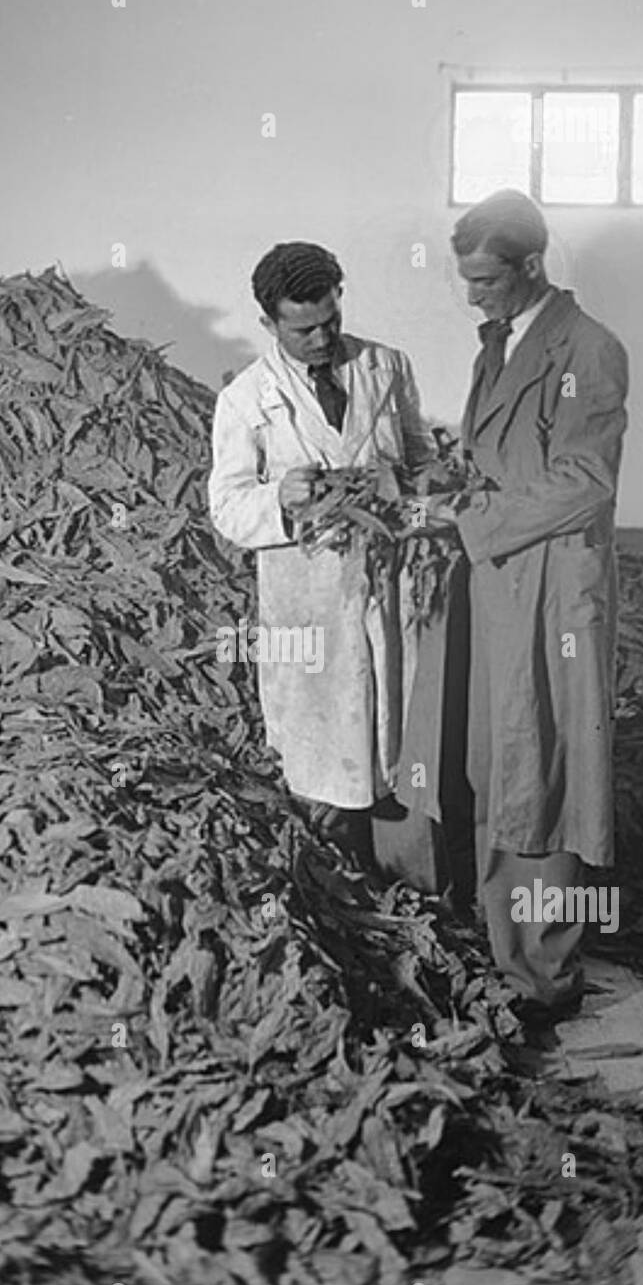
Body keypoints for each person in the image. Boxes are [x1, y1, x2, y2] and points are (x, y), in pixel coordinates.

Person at [397, 190, 630, 1020]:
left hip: (552, 589)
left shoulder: (587, 349)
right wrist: (442, 486)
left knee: (543, 770)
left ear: (533, 266)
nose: (472, 296)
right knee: (491, 756)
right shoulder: (497, 345)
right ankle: (497, 938)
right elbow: (498, 458)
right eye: (466, 280)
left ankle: (542, 977)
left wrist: (467, 515)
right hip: (494, 578)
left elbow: (584, 481)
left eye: (486, 280)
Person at [209, 242, 441, 871]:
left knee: (402, 753)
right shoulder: (245, 400)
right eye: (303, 328)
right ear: (269, 324)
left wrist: (416, 502)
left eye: (331, 320)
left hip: (390, 588)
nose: (322, 338)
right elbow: (227, 508)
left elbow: (421, 460)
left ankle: (420, 907)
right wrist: (281, 500)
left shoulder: (386, 368)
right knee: (324, 765)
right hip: (308, 602)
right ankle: (342, 909)